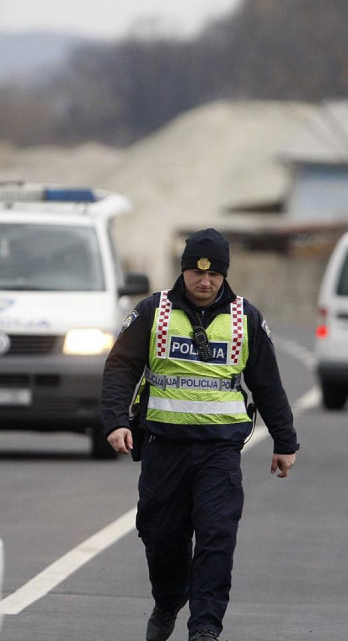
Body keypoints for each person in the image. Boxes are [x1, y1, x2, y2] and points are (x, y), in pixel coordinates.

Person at [100, 228, 298, 641]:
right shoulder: (153, 312)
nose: (204, 282)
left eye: (213, 275)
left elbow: (267, 383)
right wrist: (117, 420)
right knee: (161, 538)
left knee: (216, 536)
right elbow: (120, 367)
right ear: (184, 270)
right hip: (163, 448)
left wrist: (284, 441)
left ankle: (205, 628)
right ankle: (168, 600)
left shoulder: (247, 319)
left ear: (224, 275)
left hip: (219, 453)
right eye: (196, 273)